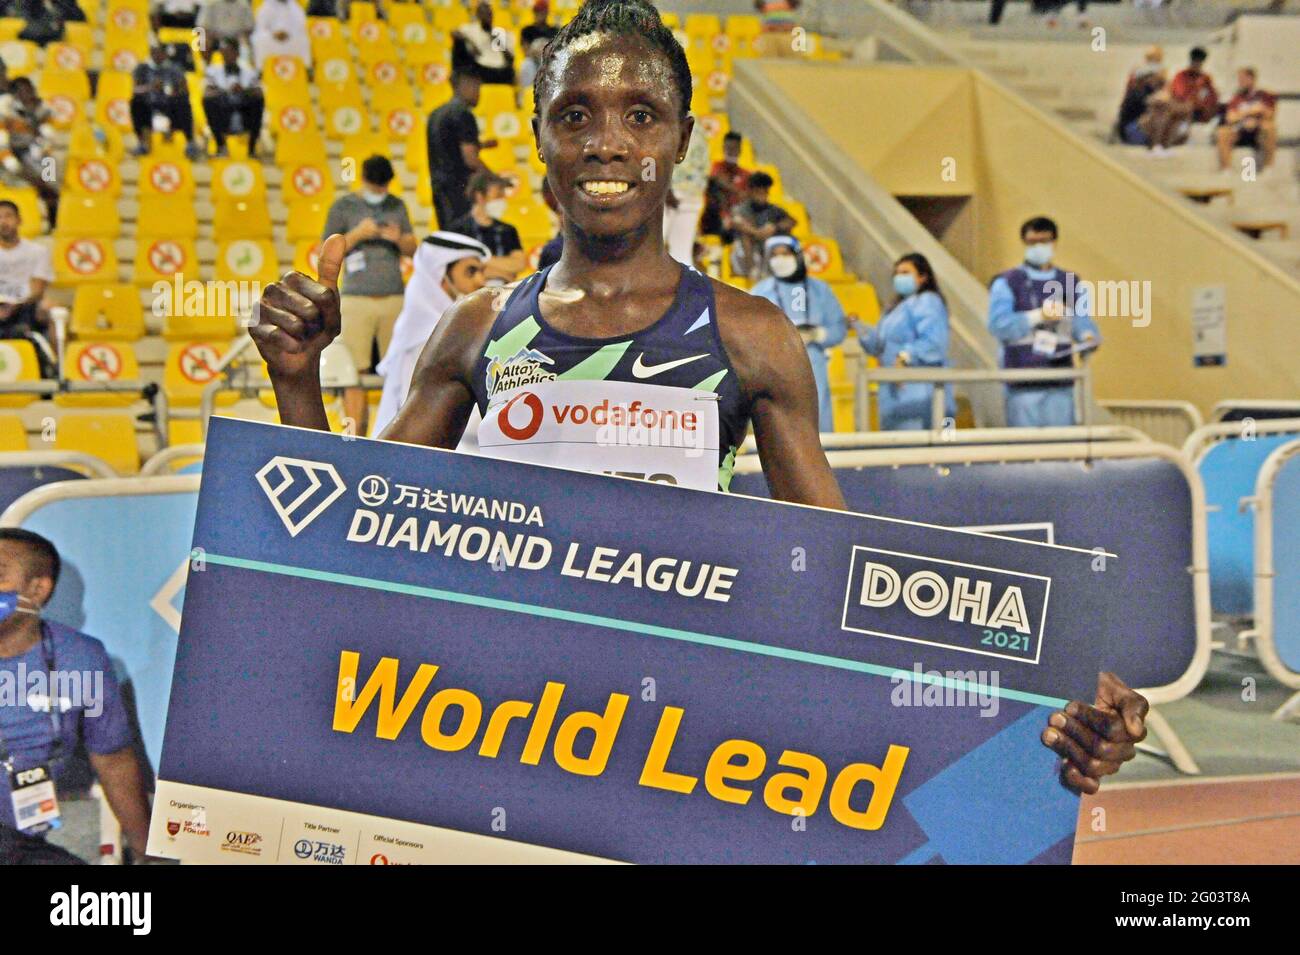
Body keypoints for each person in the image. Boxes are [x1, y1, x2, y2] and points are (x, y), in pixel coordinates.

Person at [249, 0, 1147, 798]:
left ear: (680, 138)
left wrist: (1048, 674)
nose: (607, 143)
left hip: (682, 747)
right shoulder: (477, 327)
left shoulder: (750, 333)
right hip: (502, 730)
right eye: (575, 116)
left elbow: (844, 565)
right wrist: (299, 381)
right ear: (540, 140)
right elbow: (356, 538)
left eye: (640, 115)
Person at [0, 529, 152, 864]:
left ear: (37, 589)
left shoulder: (81, 658)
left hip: (19, 846)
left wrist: (149, 854)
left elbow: (113, 761)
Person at [320, 154, 416, 437]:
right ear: (363, 181)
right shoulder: (343, 207)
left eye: (384, 187)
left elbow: (414, 248)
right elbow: (327, 250)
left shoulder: (397, 205)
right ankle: (354, 437)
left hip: (393, 297)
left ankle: (399, 437)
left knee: (399, 372)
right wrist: (358, 234)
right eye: (376, 188)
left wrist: (398, 238)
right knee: (354, 375)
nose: (381, 193)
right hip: (356, 299)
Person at [988, 216, 1100, 429]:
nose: (1038, 246)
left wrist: (1087, 336)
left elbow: (1082, 320)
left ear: (1054, 242)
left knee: (1060, 450)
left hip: (1060, 379)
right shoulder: (1008, 281)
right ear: (1024, 243)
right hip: (1023, 379)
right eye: (1032, 242)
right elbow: (999, 325)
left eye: (1044, 241)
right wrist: (1037, 316)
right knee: (1026, 451)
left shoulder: (1070, 281)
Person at [374, 231, 489, 435]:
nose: (481, 281)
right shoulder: (423, 336)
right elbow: (421, 411)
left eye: (482, 272)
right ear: (440, 275)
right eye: (470, 271)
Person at [749, 235, 845, 433]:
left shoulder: (820, 290)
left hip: (813, 366)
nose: (780, 259)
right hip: (773, 368)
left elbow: (839, 328)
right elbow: (749, 332)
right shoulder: (761, 291)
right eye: (774, 255)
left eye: (785, 253)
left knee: (818, 426)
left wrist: (819, 334)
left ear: (797, 256)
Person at [854, 253, 955, 431]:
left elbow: (934, 343)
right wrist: (860, 328)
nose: (899, 277)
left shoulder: (928, 302)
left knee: (919, 449)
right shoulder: (895, 309)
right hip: (894, 391)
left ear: (923, 277)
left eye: (905, 272)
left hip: (919, 390)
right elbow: (879, 344)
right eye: (897, 273)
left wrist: (906, 355)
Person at [426, 69, 495, 229]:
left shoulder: (436, 114)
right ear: (464, 85)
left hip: (440, 189)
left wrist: (480, 145)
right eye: (477, 88)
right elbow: (470, 158)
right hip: (460, 191)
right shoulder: (463, 114)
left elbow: (446, 147)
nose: (479, 93)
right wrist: (493, 177)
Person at [0, 199, 56, 378]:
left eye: (8, 216)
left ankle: (55, 369)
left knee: (49, 308)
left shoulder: (36, 251)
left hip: (26, 305)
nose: (3, 222)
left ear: (19, 220)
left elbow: (37, 289)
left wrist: (15, 305)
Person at [0, 76, 59, 228]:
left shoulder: (43, 107)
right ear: (14, 95)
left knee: (52, 179)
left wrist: (44, 148)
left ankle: (54, 218)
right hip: (13, 152)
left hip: (36, 151)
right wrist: (7, 157)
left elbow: (48, 137)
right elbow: (1, 140)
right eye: (21, 92)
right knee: (19, 170)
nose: (26, 95)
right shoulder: (5, 108)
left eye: (28, 91)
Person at [447, 170, 525, 285]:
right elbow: (461, 270)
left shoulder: (508, 230)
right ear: (479, 196)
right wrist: (503, 272)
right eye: (498, 195)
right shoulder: (458, 230)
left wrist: (482, 262)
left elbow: (519, 264)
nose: (502, 201)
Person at [1140, 47, 1218, 155]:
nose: (1197, 65)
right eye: (1195, 62)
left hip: (1197, 111)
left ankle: (1160, 144)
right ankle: (1157, 144)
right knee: (1162, 108)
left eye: (1199, 63)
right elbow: (1179, 93)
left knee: (1169, 108)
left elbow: (1211, 98)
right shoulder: (1182, 75)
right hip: (1181, 106)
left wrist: (1198, 100)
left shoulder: (1206, 79)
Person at [131, 44, 202, 160]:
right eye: (154, 52)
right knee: (136, 102)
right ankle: (142, 143)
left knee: (183, 103)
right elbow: (135, 89)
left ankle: (190, 143)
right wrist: (151, 87)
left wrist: (167, 89)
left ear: (165, 54)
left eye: (159, 52)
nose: (157, 55)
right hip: (150, 106)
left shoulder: (175, 68)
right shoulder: (142, 68)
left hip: (170, 106)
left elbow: (184, 89)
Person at [201, 38, 264, 158]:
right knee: (209, 101)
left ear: (237, 53)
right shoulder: (212, 71)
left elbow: (259, 92)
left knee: (257, 101)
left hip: (244, 112)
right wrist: (226, 91)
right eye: (224, 52)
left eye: (229, 52)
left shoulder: (249, 72)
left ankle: (251, 149)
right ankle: (221, 146)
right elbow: (207, 93)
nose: (226, 56)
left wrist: (244, 91)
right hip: (223, 113)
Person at [729, 170, 795, 280]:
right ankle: (752, 272)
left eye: (765, 192)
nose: (762, 196)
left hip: (766, 254)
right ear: (751, 191)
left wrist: (775, 227)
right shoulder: (741, 208)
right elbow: (737, 223)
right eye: (759, 192)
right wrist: (757, 232)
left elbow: (791, 221)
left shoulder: (773, 210)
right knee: (745, 236)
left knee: (783, 241)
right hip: (745, 257)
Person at [1217, 67, 1276, 172]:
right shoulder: (1237, 97)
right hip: (1240, 131)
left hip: (1258, 131)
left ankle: (1268, 168)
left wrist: (1256, 117)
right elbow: (1230, 117)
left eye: (1243, 79)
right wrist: (1250, 112)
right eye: (1239, 79)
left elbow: (1270, 114)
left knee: (1269, 127)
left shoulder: (1264, 95)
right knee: (1222, 132)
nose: (1240, 82)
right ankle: (1226, 170)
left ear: (1252, 79)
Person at [701, 130, 750, 243]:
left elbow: (747, 197)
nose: (731, 152)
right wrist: (737, 191)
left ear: (740, 150)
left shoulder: (746, 175)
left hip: (735, 219)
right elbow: (717, 180)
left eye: (734, 149)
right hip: (714, 219)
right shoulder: (716, 166)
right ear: (723, 148)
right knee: (714, 187)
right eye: (728, 148)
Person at [451, 1, 515, 86]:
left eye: (489, 14)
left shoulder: (499, 32)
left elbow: (510, 58)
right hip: (479, 67)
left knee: (511, 72)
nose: (487, 16)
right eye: (483, 13)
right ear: (478, 15)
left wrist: (500, 45)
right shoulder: (471, 29)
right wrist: (470, 42)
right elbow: (454, 33)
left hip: (499, 70)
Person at [251, 0, 311, 70]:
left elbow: (301, 27)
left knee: (304, 40)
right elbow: (260, 29)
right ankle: (262, 71)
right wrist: (273, 35)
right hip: (272, 40)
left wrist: (288, 34)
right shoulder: (266, 8)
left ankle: (305, 69)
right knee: (259, 39)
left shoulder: (295, 7)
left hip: (291, 39)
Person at [1116, 70, 1163, 146]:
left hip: (1128, 130)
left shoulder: (1139, 91)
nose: (1155, 81)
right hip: (1130, 131)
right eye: (1153, 78)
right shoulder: (1138, 94)